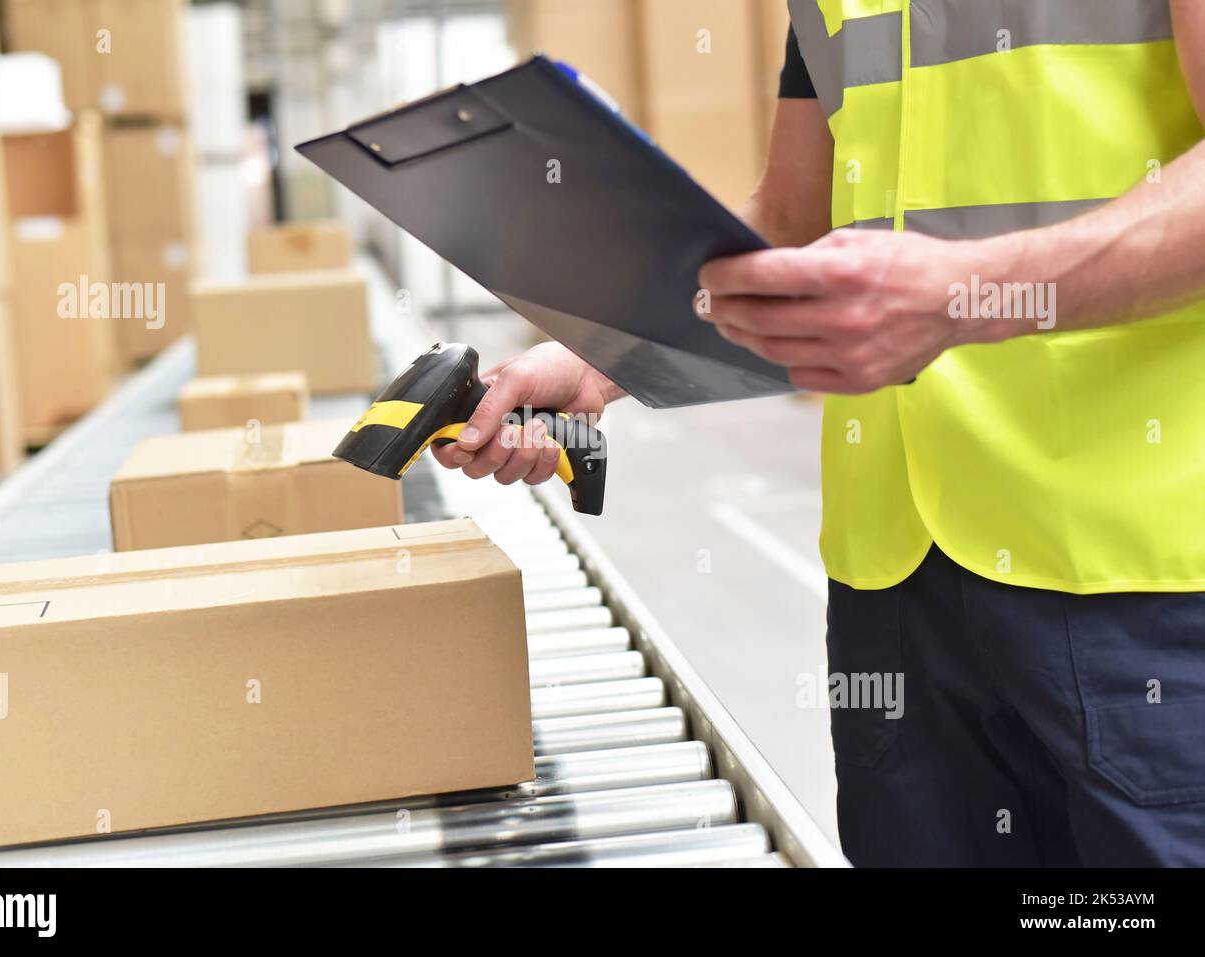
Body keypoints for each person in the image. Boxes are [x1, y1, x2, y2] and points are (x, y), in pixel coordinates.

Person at [432, 0, 1205, 866]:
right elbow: (795, 212)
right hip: (893, 574)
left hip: (1138, 568)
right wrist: (599, 353)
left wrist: (961, 294)